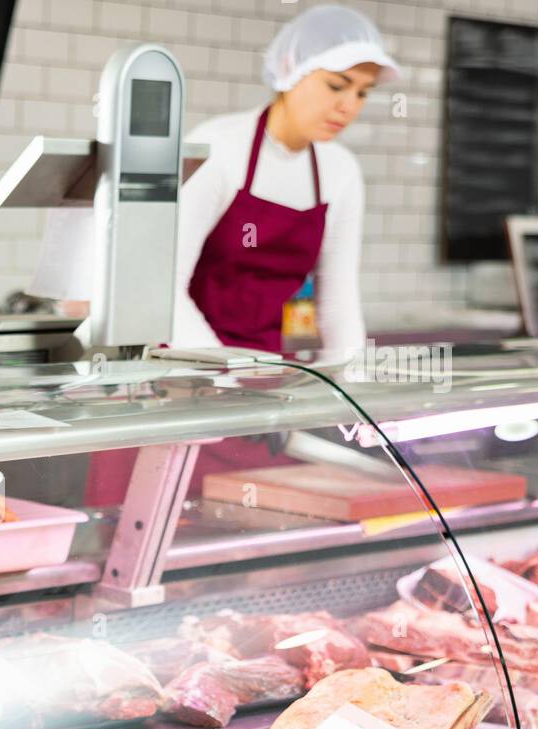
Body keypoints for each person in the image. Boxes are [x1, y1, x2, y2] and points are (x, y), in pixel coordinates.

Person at [86, 5, 402, 507]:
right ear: (291, 73)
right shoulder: (220, 147)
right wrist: (227, 381)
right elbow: (161, 287)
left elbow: (338, 303)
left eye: (363, 93)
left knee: (239, 547)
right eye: (337, 85)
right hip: (180, 390)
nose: (349, 105)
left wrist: (353, 397)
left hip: (263, 403)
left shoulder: (341, 172)